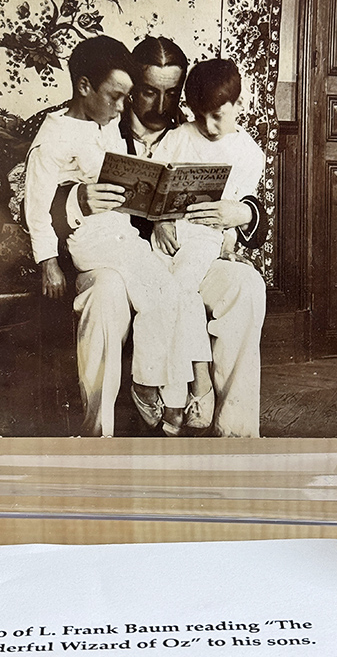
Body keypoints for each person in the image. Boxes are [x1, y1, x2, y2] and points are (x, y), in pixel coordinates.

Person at [53, 36, 267, 438]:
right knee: (105, 295)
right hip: (115, 261)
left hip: (187, 252)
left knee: (246, 286)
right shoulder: (93, 123)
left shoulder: (195, 131)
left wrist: (241, 213)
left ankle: (235, 434)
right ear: (132, 85)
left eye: (172, 94)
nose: (161, 105)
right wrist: (79, 198)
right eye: (150, 92)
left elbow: (247, 194)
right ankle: (97, 434)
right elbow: (39, 194)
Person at [24, 35, 194, 433]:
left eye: (126, 98)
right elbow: (34, 208)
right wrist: (48, 264)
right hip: (92, 245)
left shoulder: (107, 124)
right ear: (83, 87)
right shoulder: (51, 140)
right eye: (115, 97)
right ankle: (145, 393)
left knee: (168, 295)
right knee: (160, 295)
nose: (123, 108)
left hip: (122, 240)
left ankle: (154, 391)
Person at [150, 58, 265, 431]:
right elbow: (152, 193)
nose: (210, 126)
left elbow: (245, 210)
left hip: (209, 247)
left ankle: (233, 424)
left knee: (239, 287)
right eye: (201, 117)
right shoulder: (178, 138)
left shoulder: (247, 151)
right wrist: (162, 220)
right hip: (169, 247)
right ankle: (188, 389)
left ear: (239, 104)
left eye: (218, 116)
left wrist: (234, 230)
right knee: (176, 290)